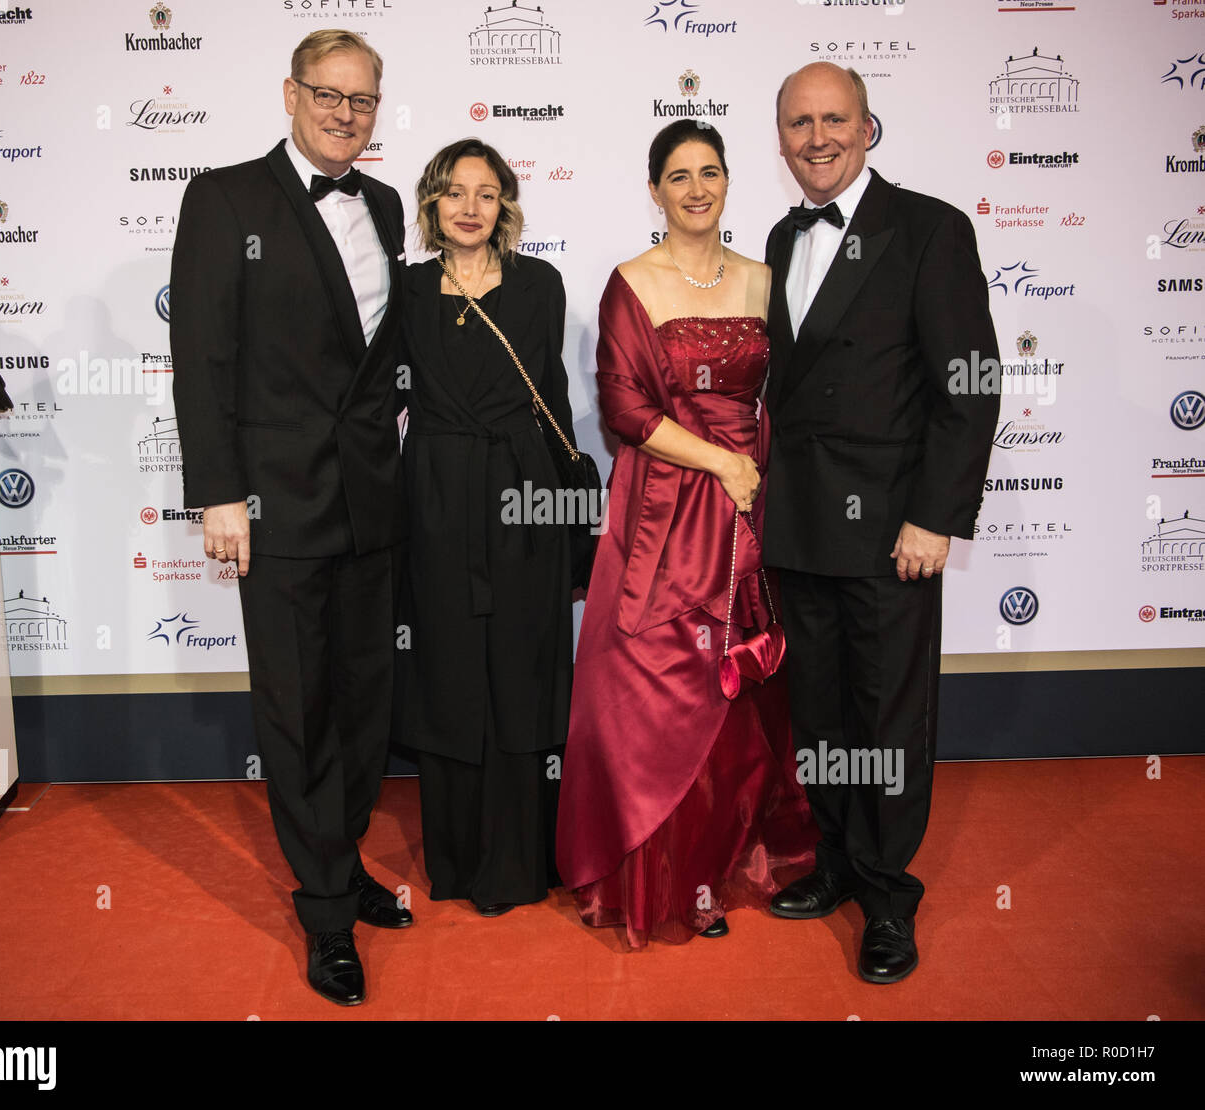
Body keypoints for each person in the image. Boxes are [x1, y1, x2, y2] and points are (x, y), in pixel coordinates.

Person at [170, 29, 411, 1008]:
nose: (345, 112)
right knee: (299, 713)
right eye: (328, 94)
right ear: (290, 93)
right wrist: (220, 492)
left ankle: (344, 865)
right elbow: (203, 360)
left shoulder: (388, 204)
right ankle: (323, 914)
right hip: (273, 508)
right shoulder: (225, 199)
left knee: (363, 706)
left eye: (362, 99)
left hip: (369, 503)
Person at [763, 63, 999, 982]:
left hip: (892, 532)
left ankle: (888, 896)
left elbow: (969, 386)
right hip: (801, 525)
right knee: (820, 711)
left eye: (833, 119)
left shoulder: (930, 228)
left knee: (889, 720)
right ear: (780, 138)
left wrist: (935, 518)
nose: (816, 137)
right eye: (798, 123)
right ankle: (831, 862)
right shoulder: (782, 238)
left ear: (869, 127)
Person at [556, 120, 817, 947]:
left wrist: (756, 472)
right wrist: (720, 462)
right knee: (654, 683)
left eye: (710, 172)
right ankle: (654, 872)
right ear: (655, 190)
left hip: (750, 507)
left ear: (730, 182)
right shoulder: (631, 281)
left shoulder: (763, 279)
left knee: (735, 689)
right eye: (678, 176)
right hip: (666, 506)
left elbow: (797, 391)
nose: (696, 188)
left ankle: (718, 864)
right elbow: (627, 410)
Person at [396, 139, 573, 917]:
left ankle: (522, 859)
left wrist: (570, 525)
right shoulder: (403, 291)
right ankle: (459, 860)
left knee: (520, 666)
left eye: (487, 192)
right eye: (454, 192)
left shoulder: (540, 284)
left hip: (522, 493)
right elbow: (379, 405)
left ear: (506, 205)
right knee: (449, 670)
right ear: (432, 203)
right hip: (434, 499)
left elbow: (555, 402)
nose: (470, 207)